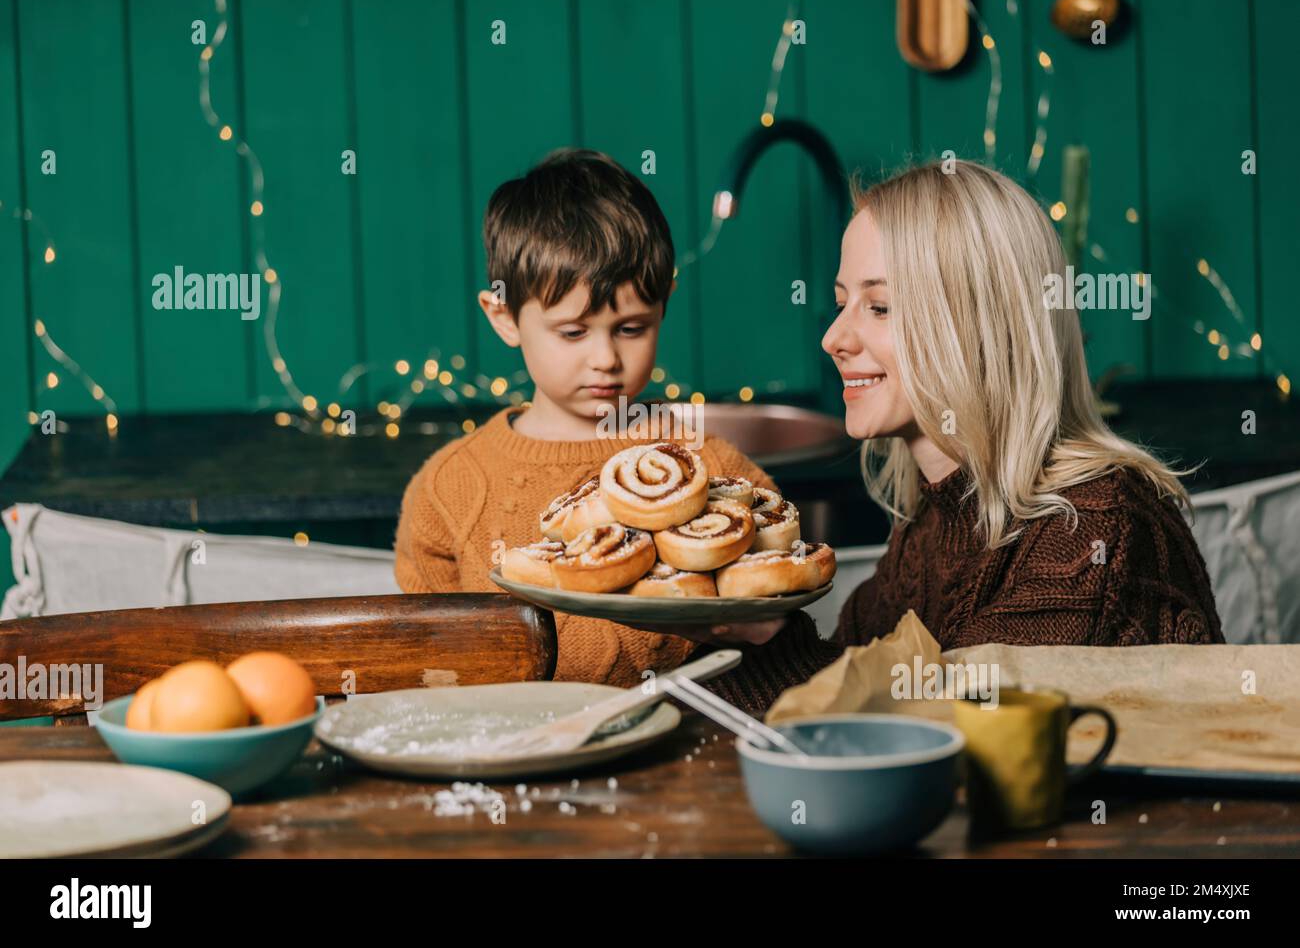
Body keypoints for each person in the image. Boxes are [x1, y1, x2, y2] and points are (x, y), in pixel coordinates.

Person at [395, 149, 840, 711]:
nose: (605, 358)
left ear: (664, 305)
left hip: (687, 763)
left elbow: (783, 650)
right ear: (504, 316)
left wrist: (766, 628)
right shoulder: (447, 491)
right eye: (573, 332)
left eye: (631, 328)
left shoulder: (715, 475)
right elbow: (429, 673)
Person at [824, 159, 1223, 650]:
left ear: (980, 324)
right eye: (842, 302)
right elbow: (831, 691)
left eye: (880, 307)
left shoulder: (1094, 532)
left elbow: (938, 717)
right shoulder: (929, 527)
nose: (833, 338)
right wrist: (745, 625)